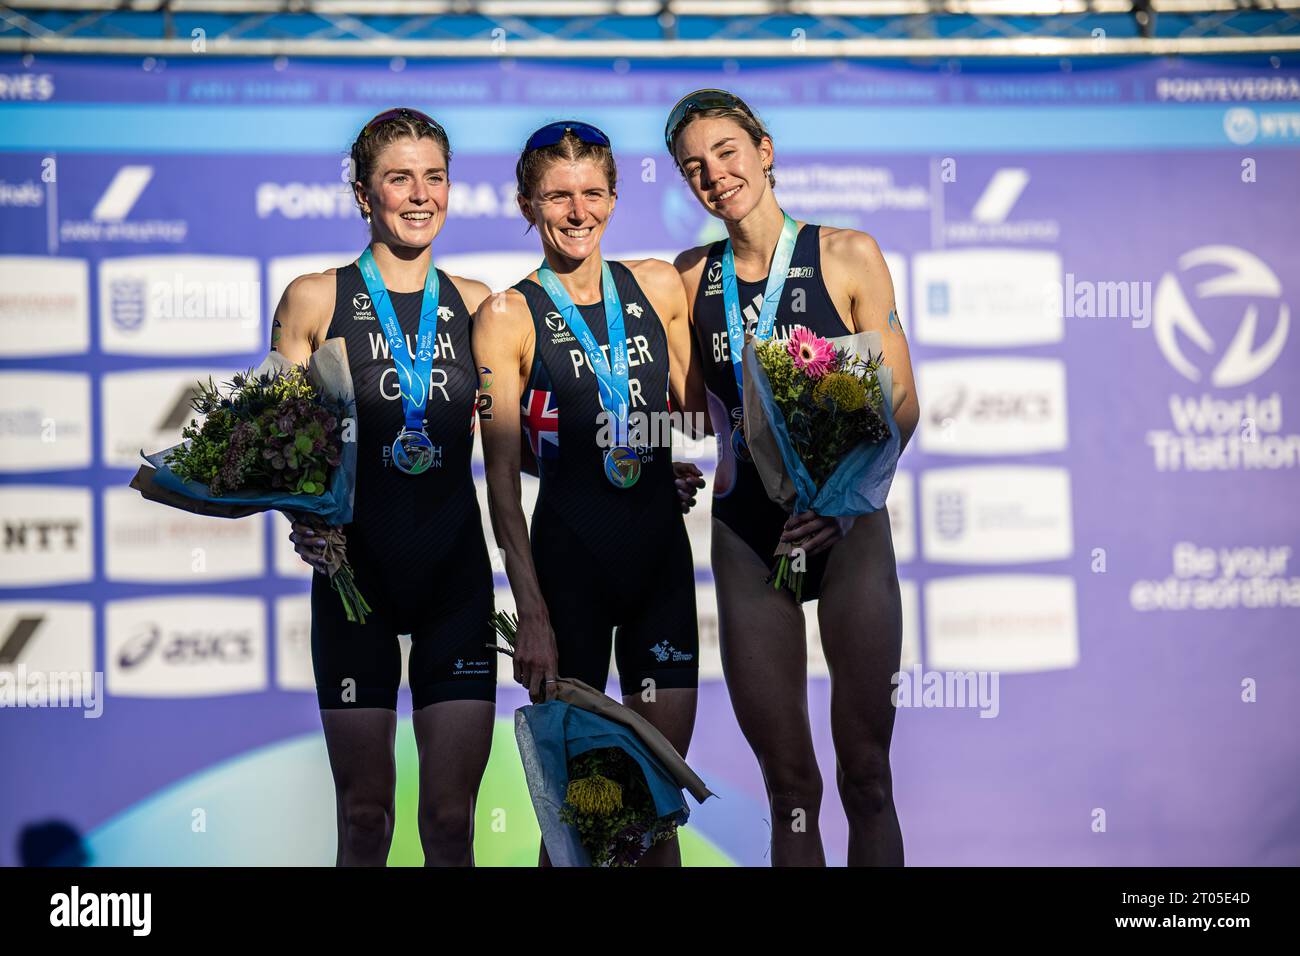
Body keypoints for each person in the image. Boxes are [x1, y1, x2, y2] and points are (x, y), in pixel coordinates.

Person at [666, 89, 920, 866]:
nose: (715, 175)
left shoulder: (848, 254)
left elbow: (902, 405)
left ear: (765, 150)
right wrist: (652, 461)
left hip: (847, 530)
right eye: (694, 167)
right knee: (791, 789)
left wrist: (841, 508)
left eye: (727, 153)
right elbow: (687, 414)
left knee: (868, 776)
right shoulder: (687, 276)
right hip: (749, 533)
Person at [473, 121, 704, 867]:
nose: (578, 212)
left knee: (652, 809)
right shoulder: (506, 316)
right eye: (558, 196)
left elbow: (696, 410)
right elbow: (503, 489)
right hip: (568, 571)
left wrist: (659, 455)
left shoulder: (658, 284)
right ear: (527, 204)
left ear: (614, 195)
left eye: (593, 193)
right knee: (583, 814)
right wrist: (532, 616)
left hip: (658, 571)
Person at [276, 108, 496, 866]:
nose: (419, 193)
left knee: (449, 822)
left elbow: (519, 444)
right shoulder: (312, 298)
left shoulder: (478, 303)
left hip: (455, 584)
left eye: (434, 176)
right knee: (365, 818)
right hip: (352, 583)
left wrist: (646, 464)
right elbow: (275, 445)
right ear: (363, 193)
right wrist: (297, 515)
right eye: (399, 177)